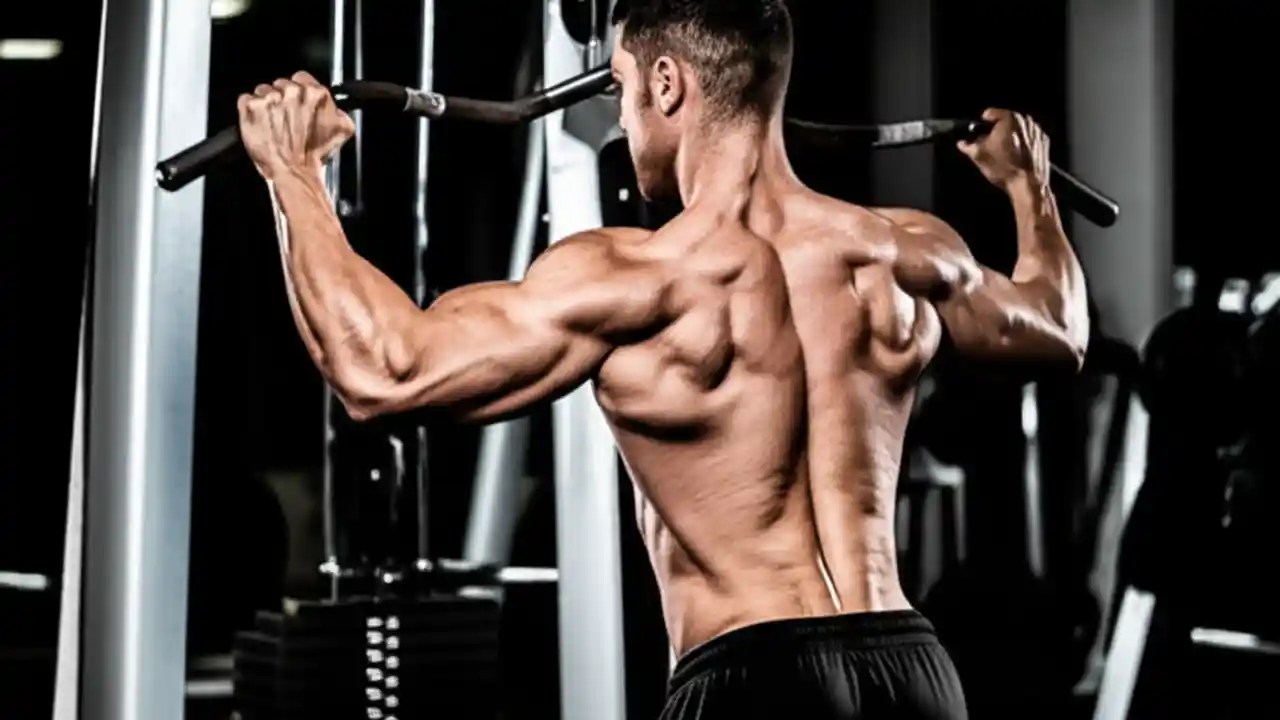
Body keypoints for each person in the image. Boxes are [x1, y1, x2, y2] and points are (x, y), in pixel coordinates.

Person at [236, 0, 1088, 716]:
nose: (621, 114)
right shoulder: (903, 248)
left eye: (621, 87)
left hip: (755, 676)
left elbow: (385, 374)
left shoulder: (636, 278)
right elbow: (1056, 330)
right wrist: (1030, 188)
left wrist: (293, 176)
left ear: (668, 82)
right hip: (913, 669)